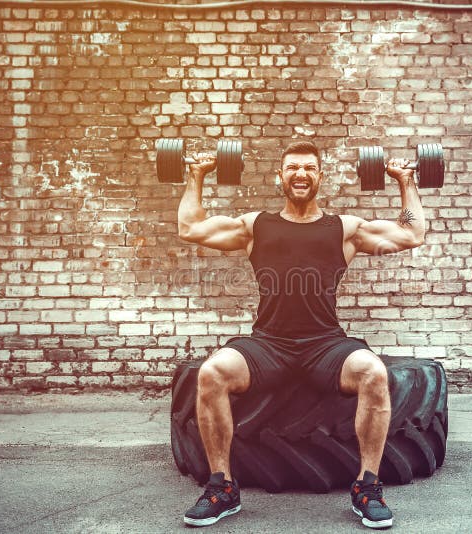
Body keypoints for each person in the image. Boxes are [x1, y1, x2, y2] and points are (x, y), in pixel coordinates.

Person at [176, 140, 425, 529]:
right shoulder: (256, 225)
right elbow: (190, 227)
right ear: (280, 176)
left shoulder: (344, 229)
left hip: (325, 343)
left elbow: (411, 234)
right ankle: (222, 487)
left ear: (320, 177)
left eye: (309, 168)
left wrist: (405, 181)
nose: (301, 174)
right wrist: (196, 175)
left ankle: (367, 486)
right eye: (292, 168)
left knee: (374, 373)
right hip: (268, 343)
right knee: (211, 373)